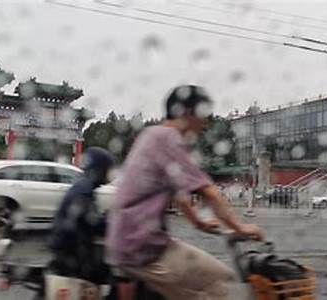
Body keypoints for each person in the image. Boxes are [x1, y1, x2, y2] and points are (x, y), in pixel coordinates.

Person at [105, 85, 264, 300]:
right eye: (203, 114)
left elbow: (181, 194)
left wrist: (199, 222)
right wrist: (240, 227)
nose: (206, 122)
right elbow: (208, 191)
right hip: (142, 244)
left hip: (124, 240)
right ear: (186, 112)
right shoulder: (169, 137)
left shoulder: (151, 135)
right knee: (221, 280)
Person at [48, 147, 115, 285]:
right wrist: (113, 223)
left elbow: (89, 217)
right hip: (71, 251)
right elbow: (93, 222)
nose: (107, 176)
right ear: (100, 169)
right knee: (105, 275)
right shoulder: (84, 189)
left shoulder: (84, 186)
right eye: (106, 170)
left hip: (69, 246)